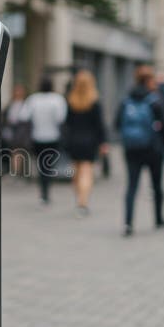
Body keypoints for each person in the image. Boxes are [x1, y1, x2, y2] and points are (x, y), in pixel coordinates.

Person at [115, 65, 164, 237]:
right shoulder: (155, 100)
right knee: (156, 185)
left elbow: (116, 124)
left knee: (132, 186)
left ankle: (128, 223)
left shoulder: (126, 100)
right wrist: (163, 143)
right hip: (153, 149)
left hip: (131, 149)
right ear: (148, 80)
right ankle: (159, 218)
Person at [63, 70, 108, 217]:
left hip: (74, 140)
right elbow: (100, 125)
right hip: (89, 141)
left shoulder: (71, 101)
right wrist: (103, 143)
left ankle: (79, 199)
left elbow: (67, 124)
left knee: (76, 173)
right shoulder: (95, 102)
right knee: (86, 172)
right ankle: (83, 203)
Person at [21, 78, 67, 204]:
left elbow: (23, 116)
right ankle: (46, 191)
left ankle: (44, 191)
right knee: (49, 165)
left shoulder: (33, 99)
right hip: (53, 137)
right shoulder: (57, 99)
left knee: (41, 165)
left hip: (37, 138)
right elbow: (61, 118)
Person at [2, 84, 30, 177]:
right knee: (14, 152)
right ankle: (15, 171)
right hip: (11, 132)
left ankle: (16, 171)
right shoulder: (11, 104)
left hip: (21, 132)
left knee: (17, 151)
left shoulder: (25, 104)